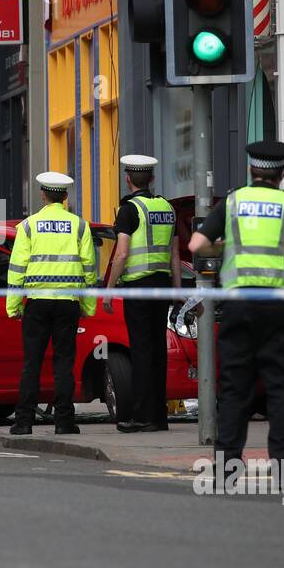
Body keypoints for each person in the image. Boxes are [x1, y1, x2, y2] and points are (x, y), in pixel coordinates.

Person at [188, 140, 284, 476]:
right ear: (282, 173)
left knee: (235, 387)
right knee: (282, 389)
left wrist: (226, 244)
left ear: (252, 170)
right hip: (280, 309)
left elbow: (197, 244)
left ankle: (226, 468)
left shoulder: (233, 202)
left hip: (239, 306)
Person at [6, 172, 97, 436]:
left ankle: (23, 422)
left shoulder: (28, 226)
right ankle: (64, 422)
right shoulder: (80, 226)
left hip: (37, 304)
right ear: (65, 197)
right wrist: (88, 307)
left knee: (31, 363)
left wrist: (13, 306)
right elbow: (89, 270)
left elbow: (16, 269)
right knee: (64, 362)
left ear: (43, 195)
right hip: (68, 304)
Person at [102, 154, 180, 433]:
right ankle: (159, 416)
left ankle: (142, 416)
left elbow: (121, 253)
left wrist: (109, 290)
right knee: (158, 351)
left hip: (138, 287)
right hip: (162, 287)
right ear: (152, 178)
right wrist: (178, 290)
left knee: (142, 352)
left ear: (127, 179)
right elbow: (174, 254)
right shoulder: (167, 208)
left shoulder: (129, 210)